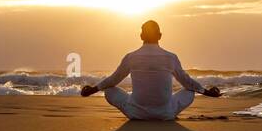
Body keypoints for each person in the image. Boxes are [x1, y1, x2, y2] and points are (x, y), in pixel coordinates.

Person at [80, 20, 221, 120]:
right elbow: (187, 82)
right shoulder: (171, 57)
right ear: (160, 36)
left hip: (136, 113)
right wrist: (206, 92)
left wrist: (93, 90)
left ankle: (141, 111)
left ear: (141, 36)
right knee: (190, 91)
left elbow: (113, 80)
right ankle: (166, 112)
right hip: (166, 113)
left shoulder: (131, 57)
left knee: (109, 89)